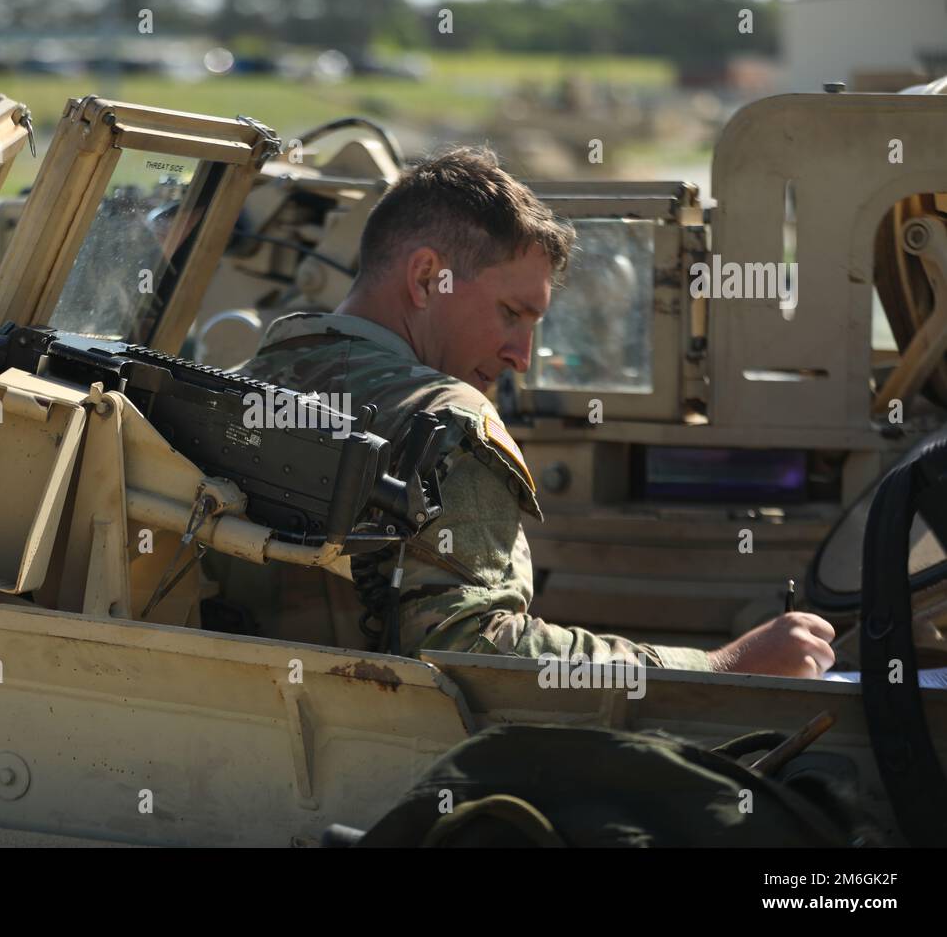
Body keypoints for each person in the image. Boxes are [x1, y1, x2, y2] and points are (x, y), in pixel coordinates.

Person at [237, 147, 835, 676]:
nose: (521, 358)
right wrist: (717, 666)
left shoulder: (233, 391)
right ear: (426, 279)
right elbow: (478, 656)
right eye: (511, 313)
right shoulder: (445, 419)